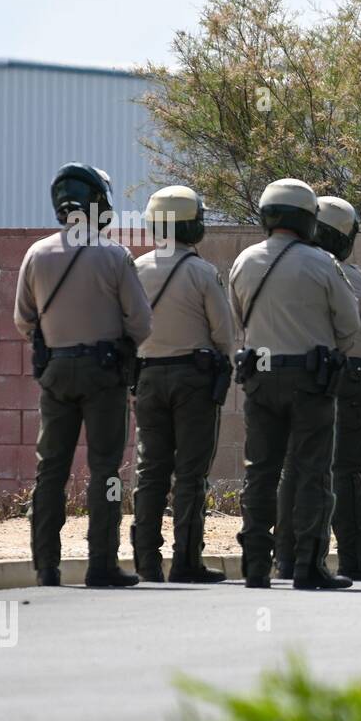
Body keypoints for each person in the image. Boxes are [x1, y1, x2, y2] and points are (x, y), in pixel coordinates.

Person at [15, 163, 151, 587]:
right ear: (98, 204)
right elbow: (141, 323)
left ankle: (46, 567)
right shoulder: (114, 255)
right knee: (105, 469)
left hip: (55, 372)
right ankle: (102, 565)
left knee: (50, 470)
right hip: (103, 374)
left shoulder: (36, 254)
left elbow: (24, 320)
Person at [230, 179, 361, 590]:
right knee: (312, 473)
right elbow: (349, 326)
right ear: (308, 219)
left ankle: (254, 566)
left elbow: (239, 318)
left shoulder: (244, 260)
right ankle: (309, 565)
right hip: (310, 381)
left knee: (261, 473)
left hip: (260, 378)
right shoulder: (323, 263)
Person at [131, 185, 233, 583]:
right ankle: (186, 561)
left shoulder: (136, 269)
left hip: (148, 377)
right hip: (193, 378)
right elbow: (223, 333)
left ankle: (146, 562)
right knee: (190, 474)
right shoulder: (202, 272)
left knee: (150, 470)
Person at [273, 196, 361, 582]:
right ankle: (352, 558)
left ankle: (286, 556)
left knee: (293, 469)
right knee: (346, 470)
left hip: (295, 375)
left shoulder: (286, 269)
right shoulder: (352, 276)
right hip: (347, 375)